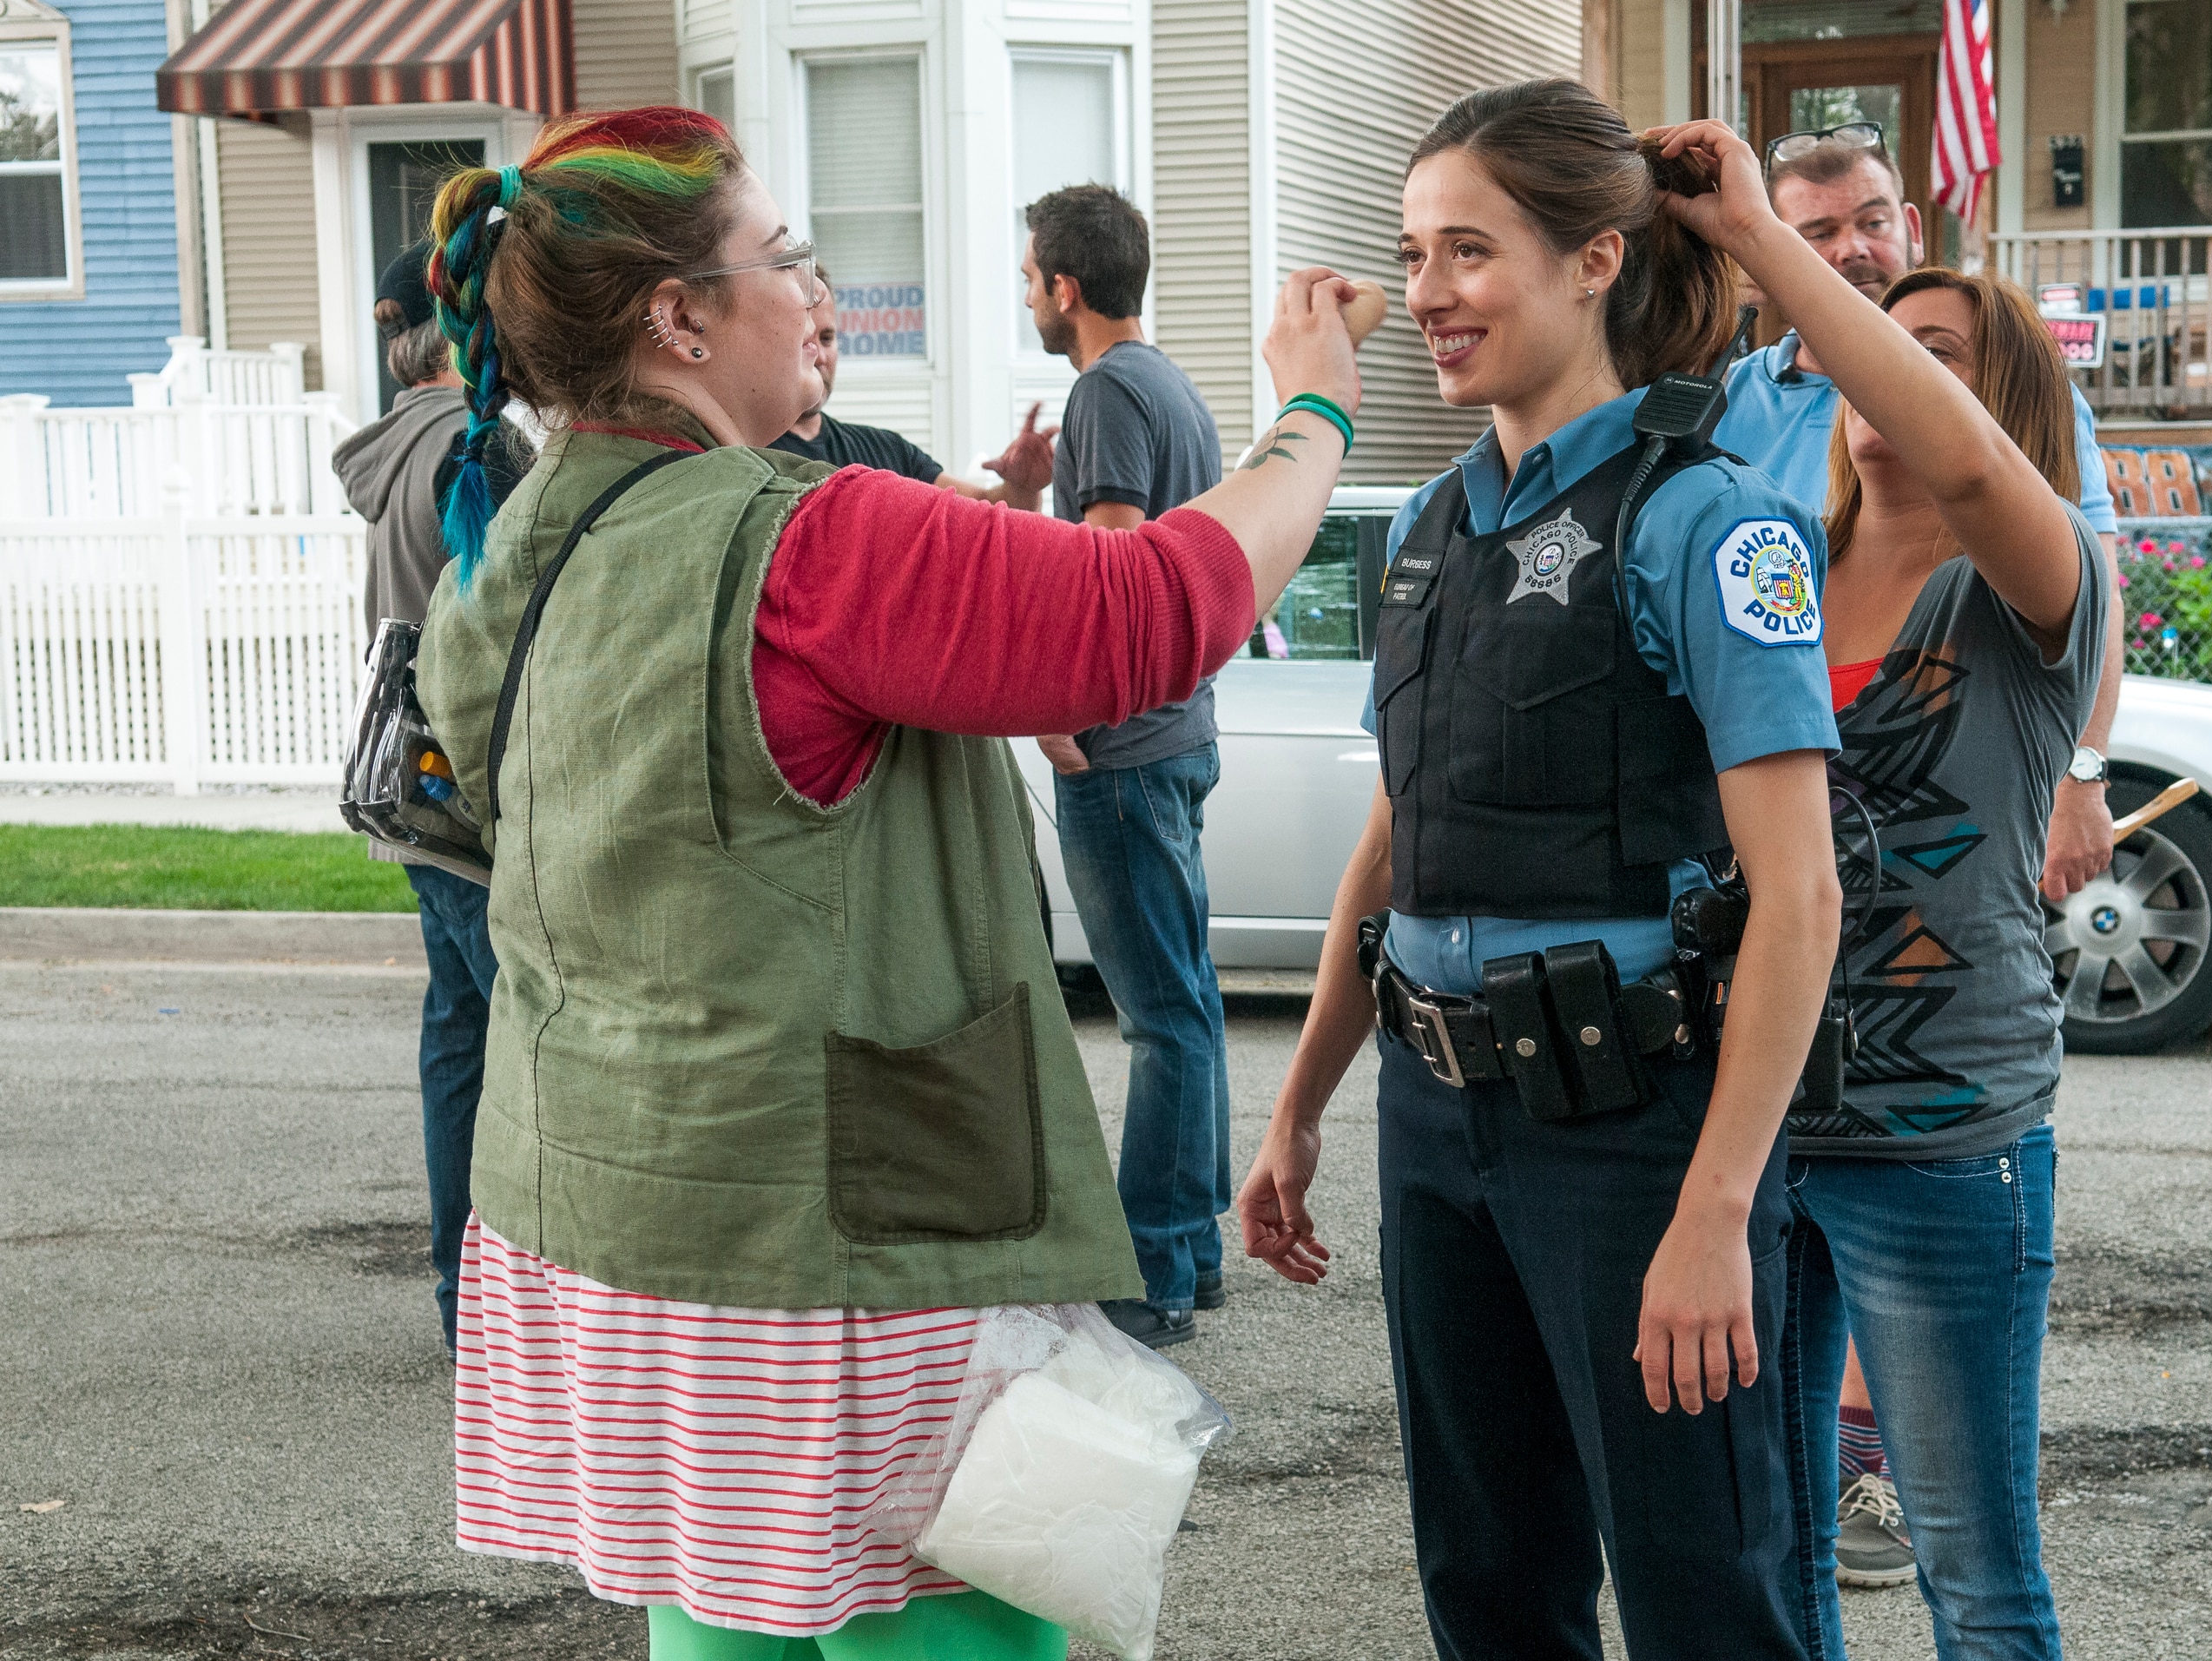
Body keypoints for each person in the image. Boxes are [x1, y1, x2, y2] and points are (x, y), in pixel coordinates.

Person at [408, 107, 1363, 1660]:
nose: (817, 287)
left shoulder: (509, 545)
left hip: (619, 1232)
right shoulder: (807, 541)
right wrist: (1314, 405)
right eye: (785, 254)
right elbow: (1157, 607)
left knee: (724, 1624)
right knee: (943, 1632)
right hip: (843, 1254)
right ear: (679, 316)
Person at [1237, 80, 1840, 1659]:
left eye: (1470, 250)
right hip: (1440, 1122)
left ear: (1594, 260)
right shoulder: (1433, 524)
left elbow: (1802, 894)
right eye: (1411, 254)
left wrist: (1717, 1210)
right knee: (1488, 1582)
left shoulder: (1710, 521)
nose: (1430, 293)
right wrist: (1300, 1105)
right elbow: (1400, 839)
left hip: (1638, 1133)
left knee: (1706, 1592)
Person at [1656, 118, 2110, 1659]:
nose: (1879, 371)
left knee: (1974, 1572)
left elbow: (1969, 461)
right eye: (1871, 346)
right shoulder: (1777, 564)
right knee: (1775, 1544)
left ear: (1996, 397)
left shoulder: (2034, 580)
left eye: (1932, 354)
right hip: (1764, 1124)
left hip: (1946, 1137)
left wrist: (1765, 243)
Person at [1714, 120, 2124, 908]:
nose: (1850, 250)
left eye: (1871, 221)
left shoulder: (2011, 511)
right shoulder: (1729, 410)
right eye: (1816, 235)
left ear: (1909, 225)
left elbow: (2091, 598)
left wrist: (2083, 769)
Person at [1018, 182, 1232, 1350]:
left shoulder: (1103, 390)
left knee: (1159, 1018)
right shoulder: (1172, 384)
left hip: (1123, 746)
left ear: (1067, 285)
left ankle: (1152, 1271)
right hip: (1179, 734)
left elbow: (1110, 563)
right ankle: (1194, 1251)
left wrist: (1058, 703)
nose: (1029, 298)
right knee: (1187, 1000)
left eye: (1030, 278)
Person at [330, 241, 525, 1355]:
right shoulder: (475, 445)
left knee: (458, 1038)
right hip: (475, 798)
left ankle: (465, 1303)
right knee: (531, 1050)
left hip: (409, 791)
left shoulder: (394, 448)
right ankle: (516, 1318)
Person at [773, 262, 1056, 506]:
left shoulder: (884, 452)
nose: (820, 356)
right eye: (805, 340)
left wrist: (1022, 488)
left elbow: (984, 511)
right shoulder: (753, 462)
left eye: (827, 338)